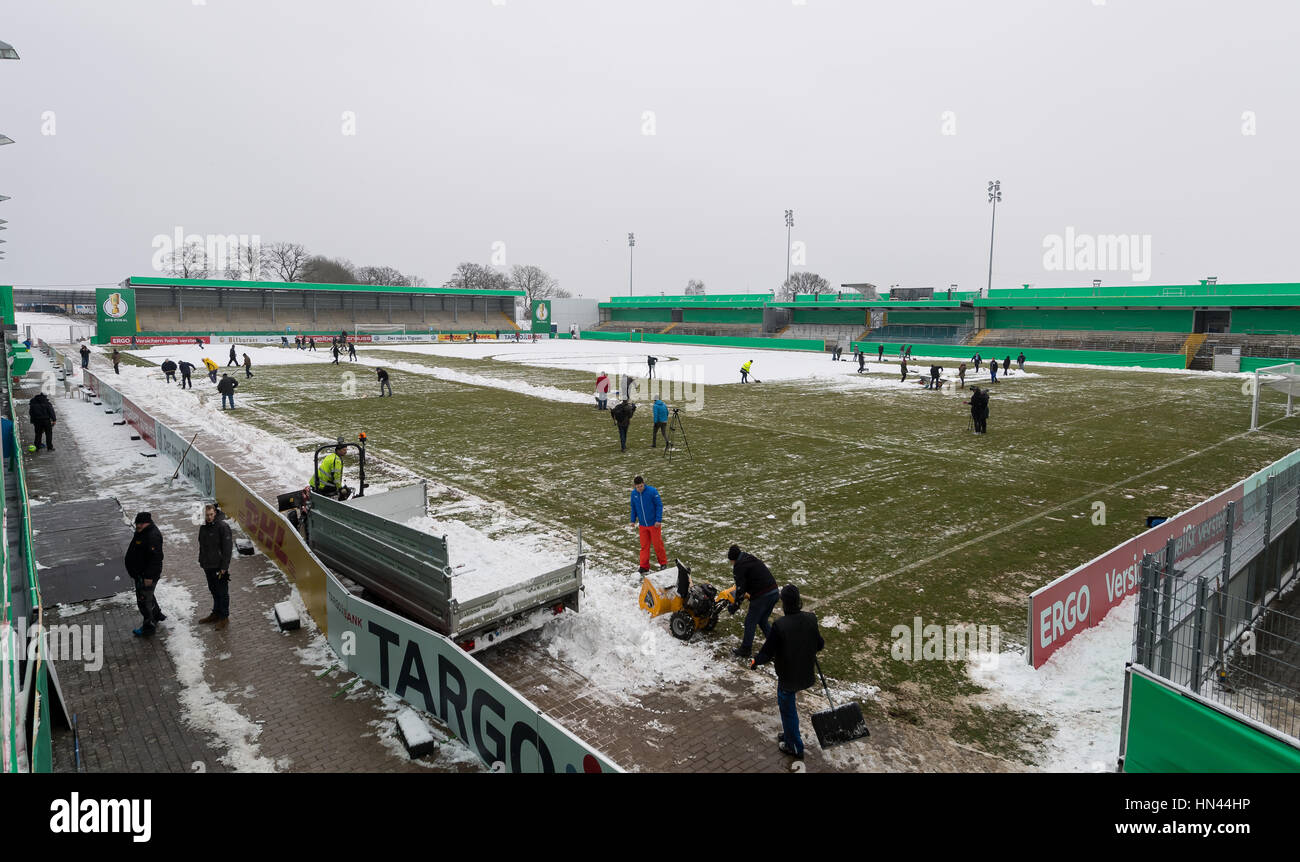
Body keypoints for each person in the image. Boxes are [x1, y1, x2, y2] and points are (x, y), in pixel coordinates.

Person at [751, 584, 824, 760]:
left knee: (788, 710)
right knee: (788, 710)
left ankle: (794, 746)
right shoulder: (810, 619)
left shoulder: (780, 625)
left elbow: (767, 652)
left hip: (788, 677)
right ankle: (790, 735)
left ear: (784, 604)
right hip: (806, 673)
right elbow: (820, 644)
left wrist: (756, 661)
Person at [727, 544, 779, 659]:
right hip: (774, 591)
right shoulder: (747, 557)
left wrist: (734, 606)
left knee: (750, 621)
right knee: (762, 620)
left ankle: (745, 649)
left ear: (733, 559)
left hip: (763, 595)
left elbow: (740, 590)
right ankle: (775, 647)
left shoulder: (739, 566)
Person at [125, 512, 166, 637]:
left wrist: (149, 577)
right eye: (137, 523)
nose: (138, 526)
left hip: (147, 576)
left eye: (140, 524)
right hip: (140, 574)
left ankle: (148, 628)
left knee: (144, 601)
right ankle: (157, 614)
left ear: (147, 523)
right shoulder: (142, 531)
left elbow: (156, 559)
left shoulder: (152, 536)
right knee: (148, 596)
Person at [197, 503, 233, 629]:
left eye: (211, 514)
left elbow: (227, 549)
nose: (209, 517)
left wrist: (224, 567)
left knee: (222, 592)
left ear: (215, 513)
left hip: (219, 567)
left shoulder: (223, 527)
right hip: (208, 565)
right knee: (213, 590)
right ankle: (216, 613)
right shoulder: (203, 526)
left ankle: (224, 617)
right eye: (207, 515)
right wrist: (202, 561)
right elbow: (202, 545)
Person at [630, 476, 666, 574]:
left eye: (641, 486)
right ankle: (644, 566)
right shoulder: (634, 494)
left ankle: (663, 563)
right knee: (644, 546)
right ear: (635, 486)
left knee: (657, 544)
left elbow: (659, 505)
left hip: (654, 524)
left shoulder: (652, 491)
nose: (639, 489)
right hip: (642, 525)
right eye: (637, 487)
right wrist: (632, 520)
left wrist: (658, 520)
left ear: (643, 483)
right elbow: (633, 507)